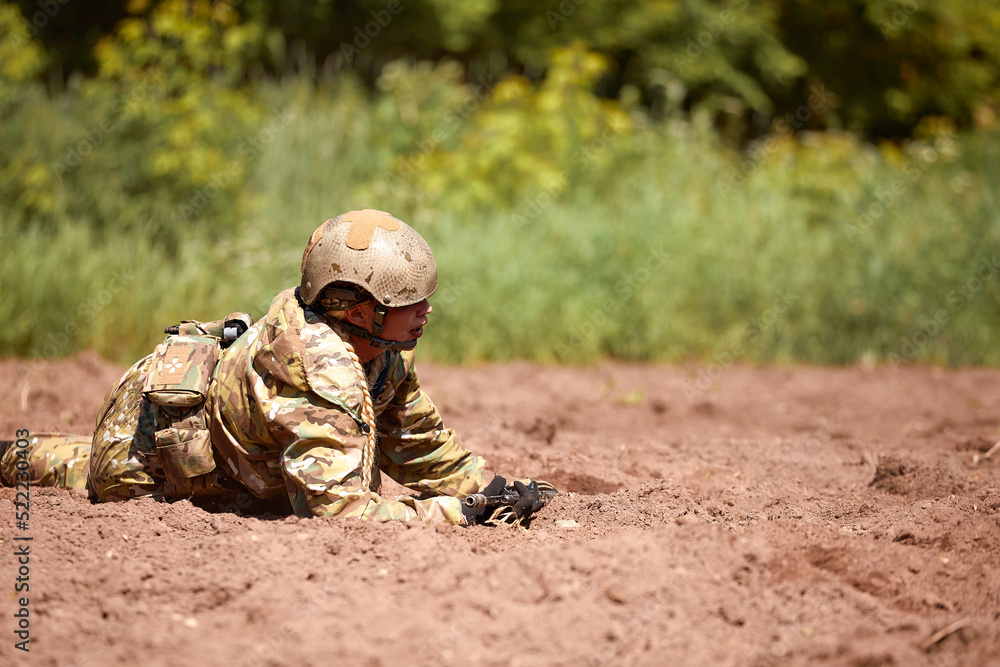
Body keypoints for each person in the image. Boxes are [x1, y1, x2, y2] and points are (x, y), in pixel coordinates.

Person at [0, 209, 549, 525]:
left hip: (222, 452)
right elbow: (340, 515)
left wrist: (493, 487)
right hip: (148, 466)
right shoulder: (318, 371)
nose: (427, 309)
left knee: (56, 458)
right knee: (86, 472)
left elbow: (417, 443)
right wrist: (465, 515)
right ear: (358, 309)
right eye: (409, 299)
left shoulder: (377, 349)